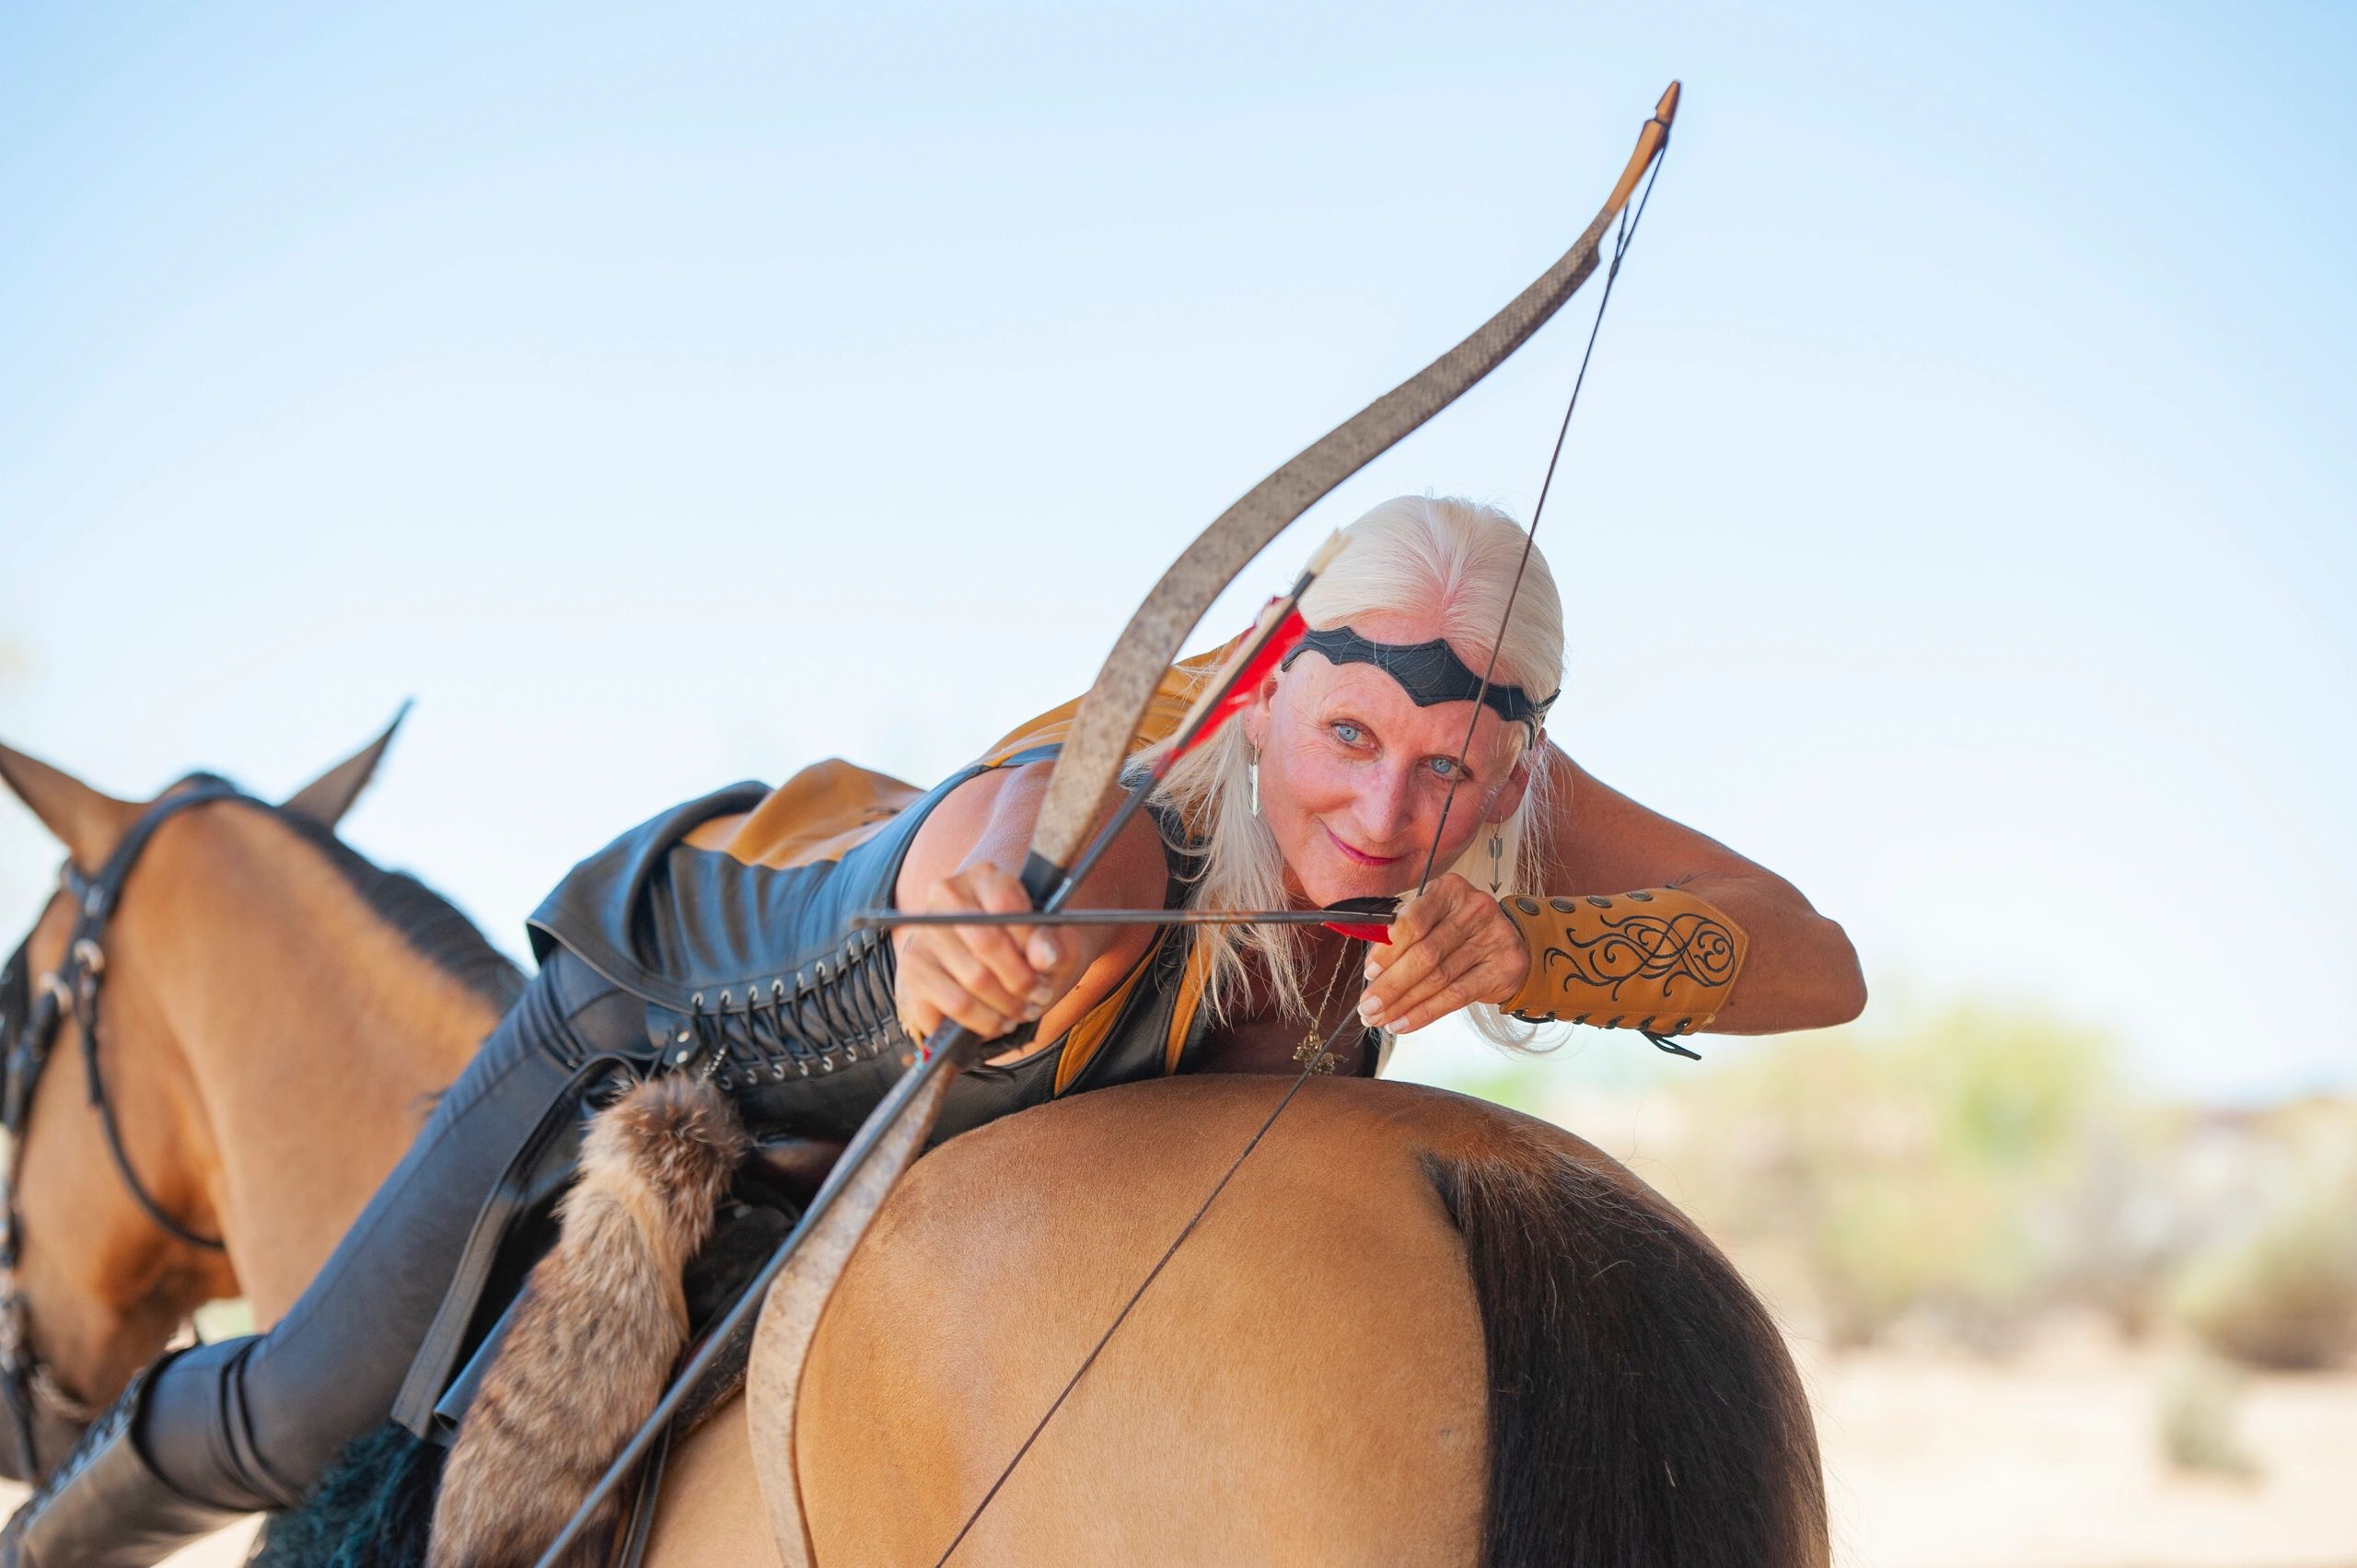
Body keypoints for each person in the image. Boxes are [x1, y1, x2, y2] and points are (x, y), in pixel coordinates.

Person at [3, 494, 1865, 1565]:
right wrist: (967, 925)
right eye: (1349, 743)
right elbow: (1004, 843)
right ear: (1275, 686)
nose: (1385, 819)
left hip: (919, 1102)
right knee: (301, 1405)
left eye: (1452, 775)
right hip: (642, 1013)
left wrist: (1539, 950)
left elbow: (1814, 957)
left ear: (1518, 755)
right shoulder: (1136, 807)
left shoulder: (1475, 792)